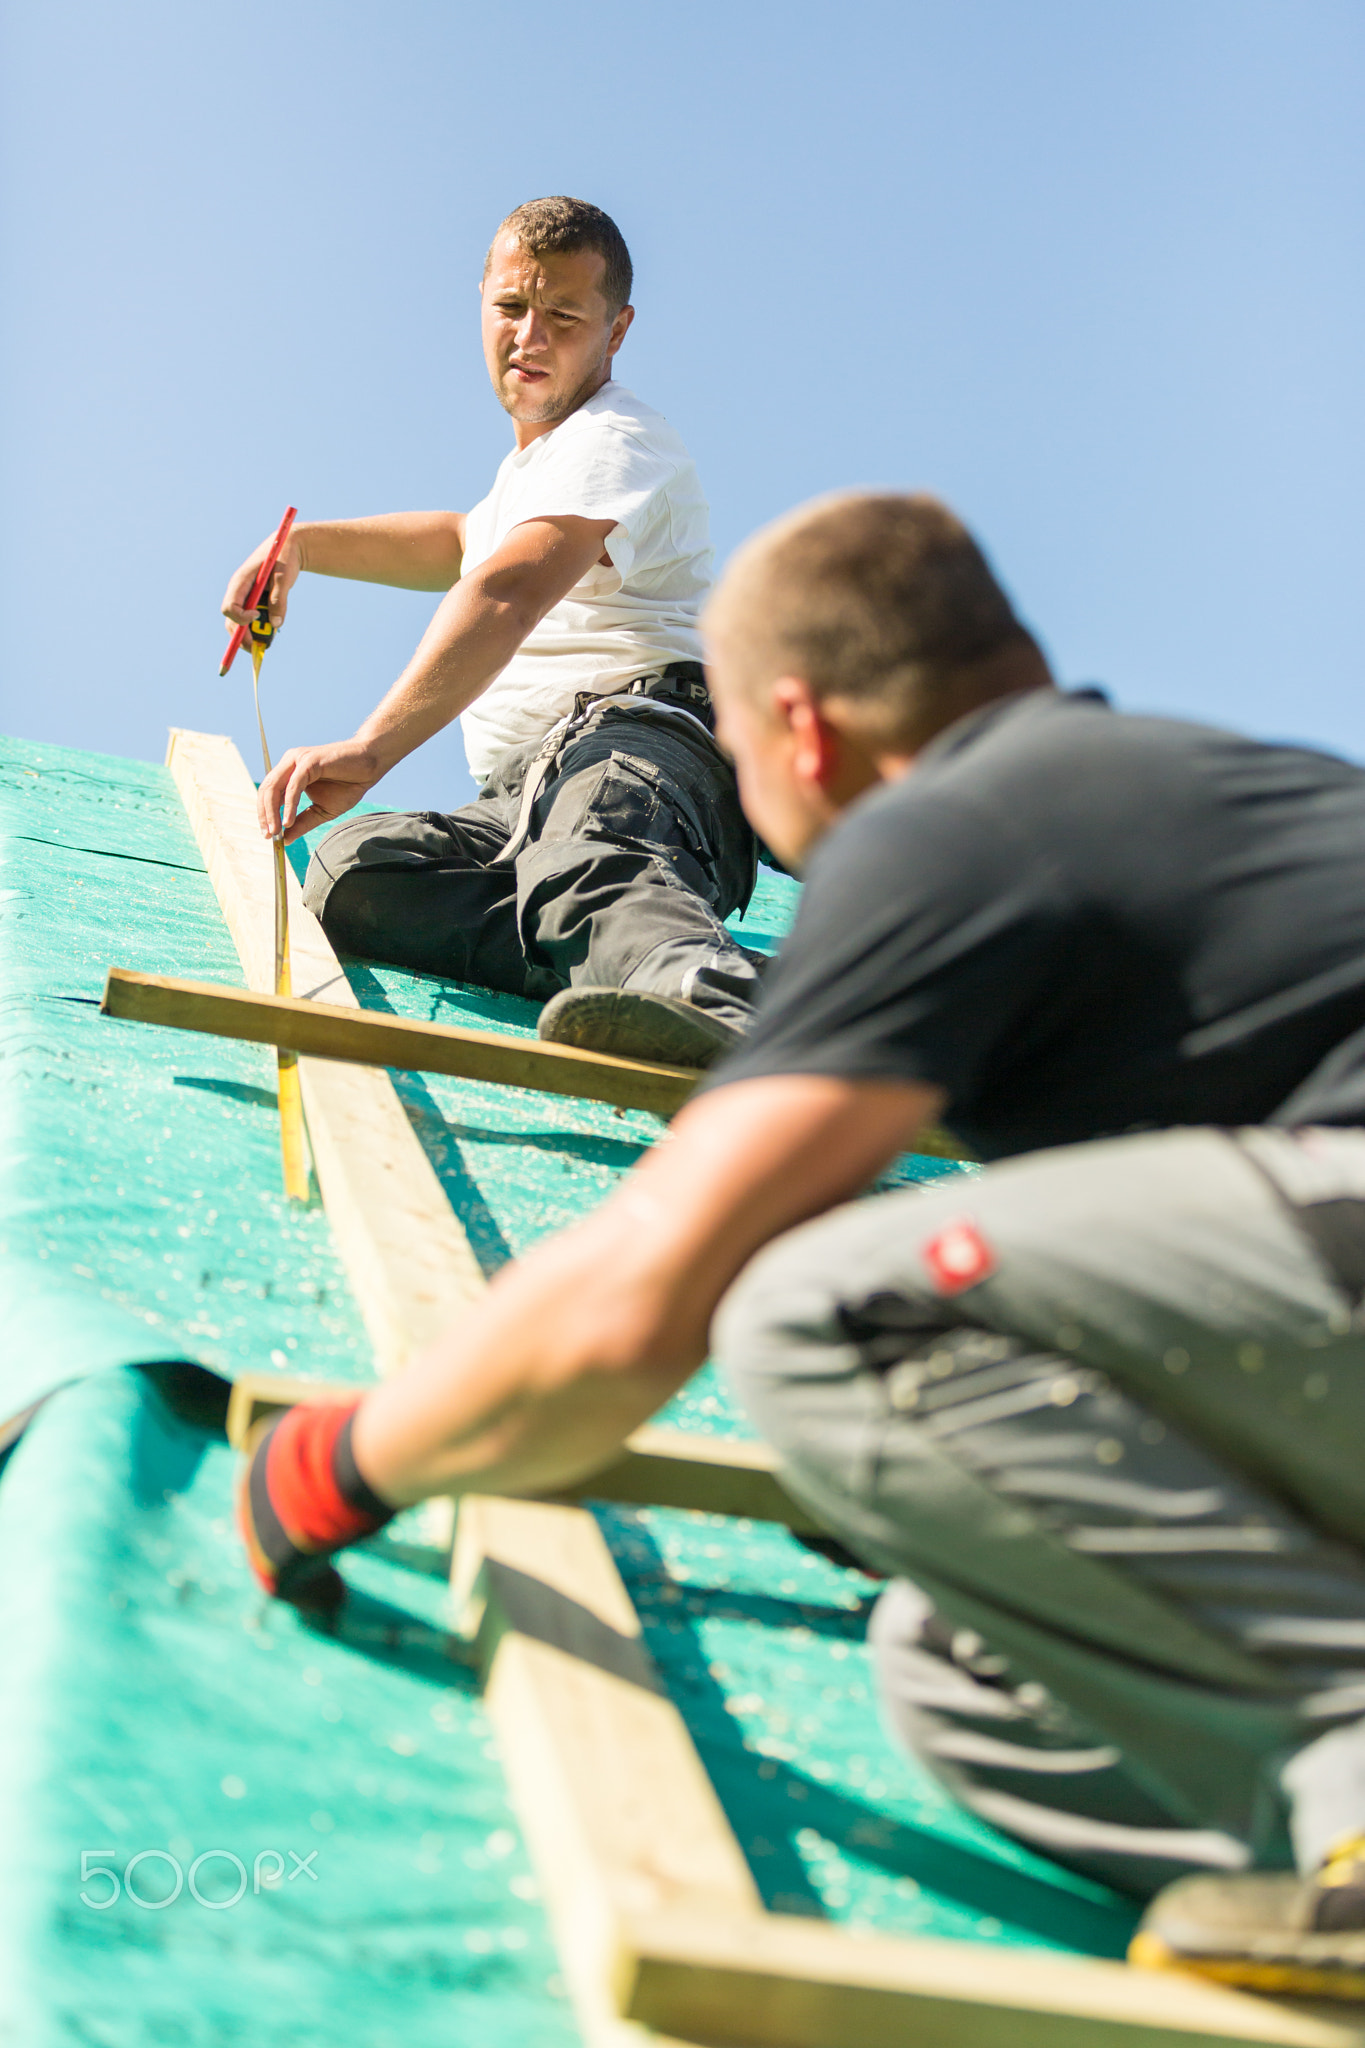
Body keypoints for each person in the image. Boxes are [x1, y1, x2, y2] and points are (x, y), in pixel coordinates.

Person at [240, 491, 1365, 1996]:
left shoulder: (963, 823)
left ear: (800, 731)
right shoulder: (1199, 807)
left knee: (828, 1303)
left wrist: (342, 1460)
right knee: (962, 1667)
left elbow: (647, 1301)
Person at [221, 196, 760, 1070]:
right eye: (511, 308)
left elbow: (506, 588)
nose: (530, 338)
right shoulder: (531, 474)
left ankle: (722, 1004)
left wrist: (371, 747)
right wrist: (304, 547)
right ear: (481, 300)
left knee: (587, 860)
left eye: (564, 317)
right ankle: (641, 967)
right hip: (517, 799)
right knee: (355, 876)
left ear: (615, 331)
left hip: (638, 749)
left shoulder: (616, 437)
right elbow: (459, 540)